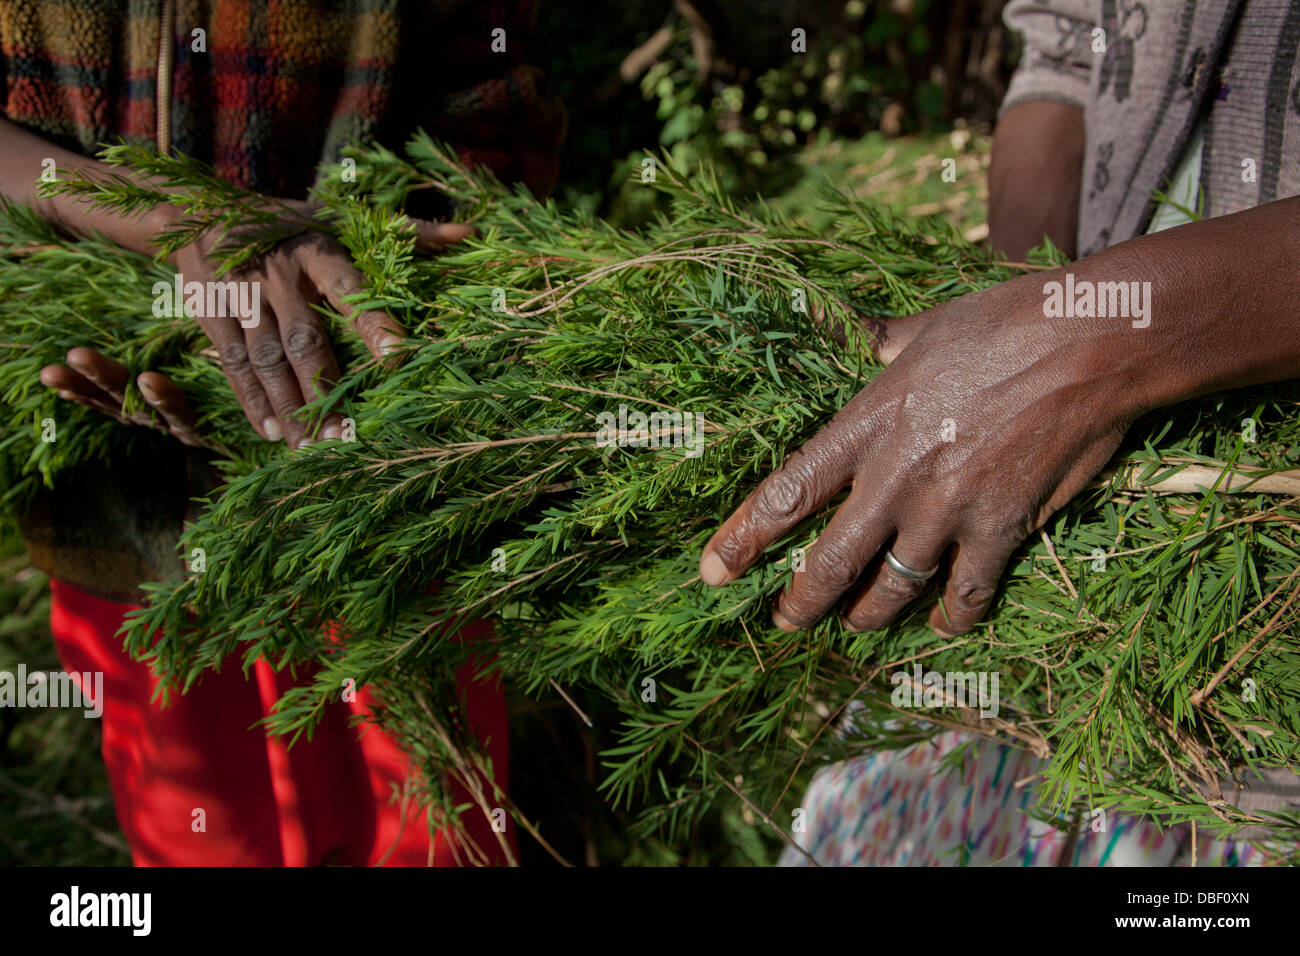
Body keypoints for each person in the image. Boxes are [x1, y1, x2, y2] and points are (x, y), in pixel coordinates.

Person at [697, 0, 1300, 865]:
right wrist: (1006, 317)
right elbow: (1063, 56)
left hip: (1260, 668)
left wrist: (1076, 346)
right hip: (1042, 596)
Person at [3, 0, 563, 865]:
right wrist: (172, 228)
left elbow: (491, 92)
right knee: (201, 836)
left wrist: (398, 280)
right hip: (113, 489)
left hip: (381, 470)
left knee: (432, 832)